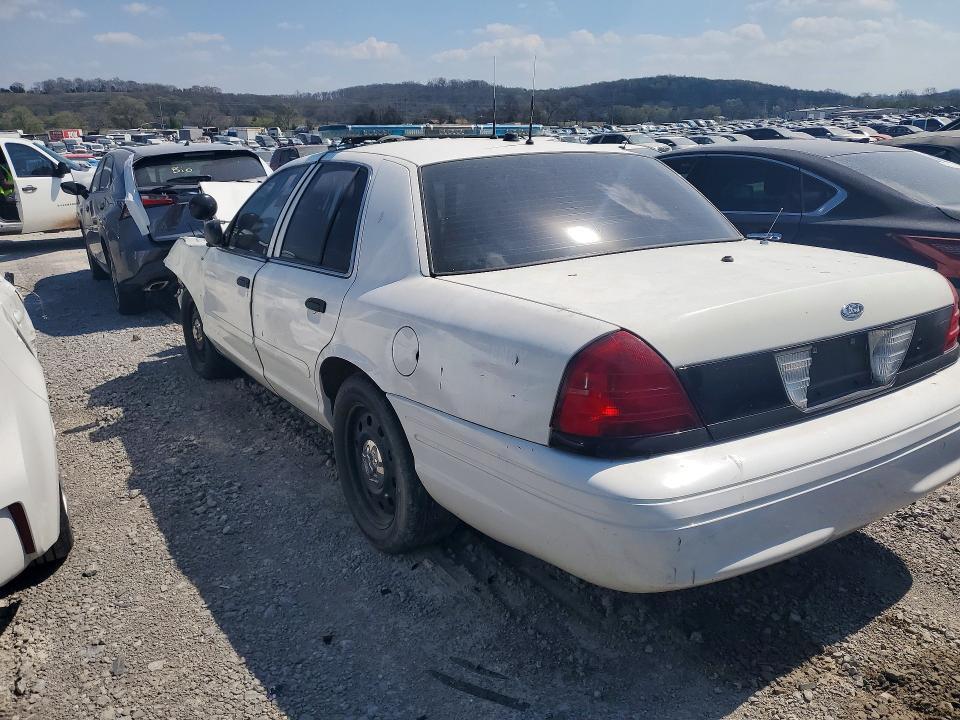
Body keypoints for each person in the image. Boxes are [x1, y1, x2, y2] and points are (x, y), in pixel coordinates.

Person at [0, 158, 19, 223]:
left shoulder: (3, 168)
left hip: (7, 195)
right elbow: (4, 185)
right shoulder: (1, 168)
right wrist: (17, 184)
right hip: (3, 197)